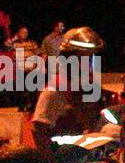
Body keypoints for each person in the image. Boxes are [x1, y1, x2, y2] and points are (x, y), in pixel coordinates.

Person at [31, 26, 103, 154]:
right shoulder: (54, 91)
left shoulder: (91, 87)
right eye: (84, 57)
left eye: (91, 57)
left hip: (88, 160)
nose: (89, 62)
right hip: (63, 162)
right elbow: (39, 130)